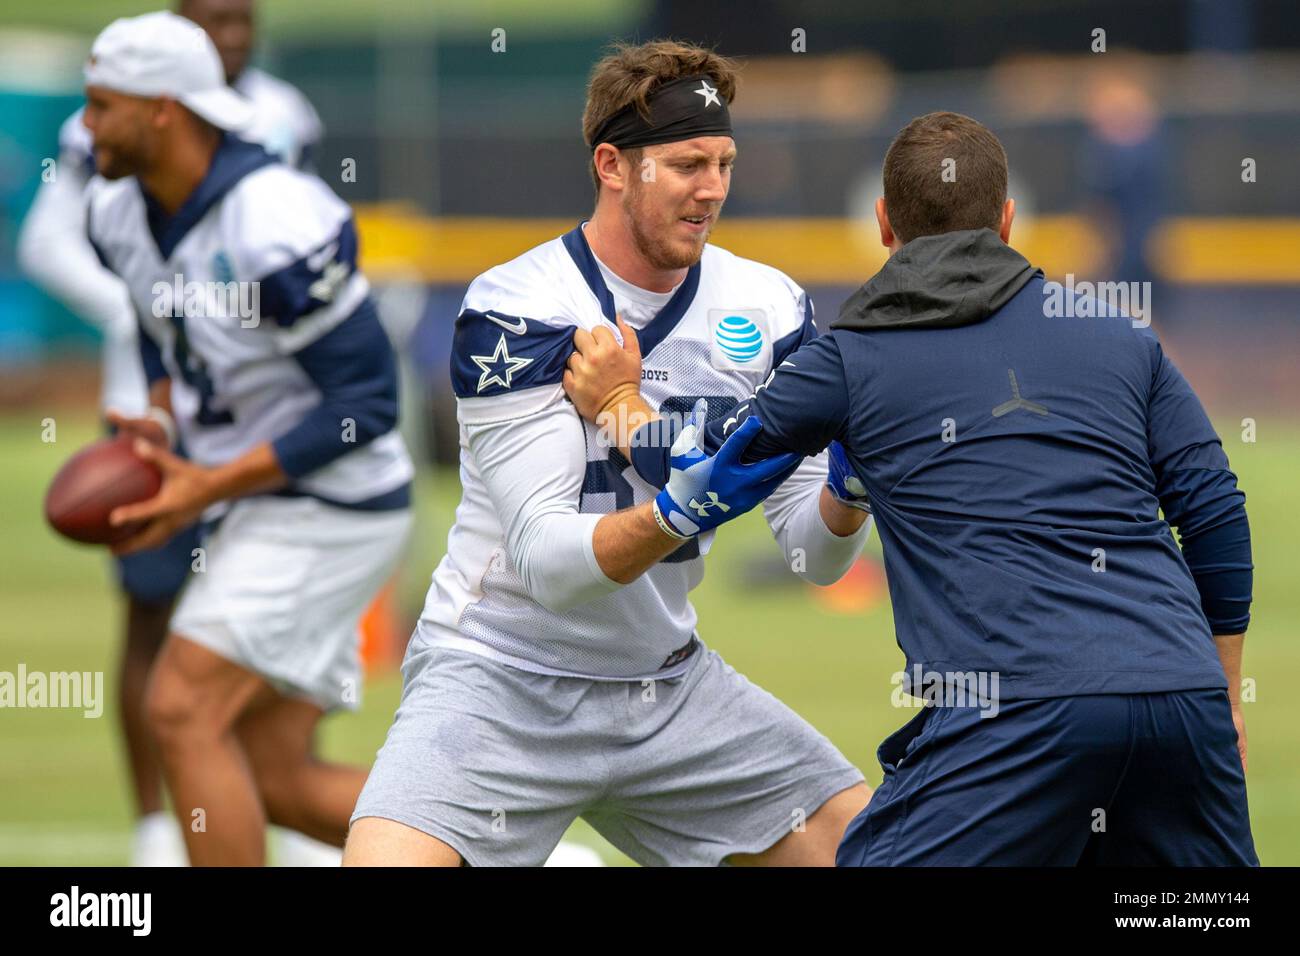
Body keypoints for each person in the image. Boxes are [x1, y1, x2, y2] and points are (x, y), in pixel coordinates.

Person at [566, 111, 1257, 866]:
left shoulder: (852, 358)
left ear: (883, 223)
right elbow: (1215, 510)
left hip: (1011, 709)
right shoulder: (1120, 336)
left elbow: (717, 470)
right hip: (1181, 701)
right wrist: (1219, 695)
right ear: (1008, 219)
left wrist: (621, 409)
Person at [344, 39, 872, 867]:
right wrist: (688, 493)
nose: (713, 190)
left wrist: (851, 489)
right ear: (613, 166)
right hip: (502, 676)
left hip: (665, 684)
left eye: (725, 163)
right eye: (687, 163)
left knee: (870, 848)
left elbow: (814, 557)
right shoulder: (521, 306)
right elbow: (550, 566)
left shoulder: (768, 306)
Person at [82, 10, 413, 866]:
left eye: (101, 105)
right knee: (274, 777)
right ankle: (522, 857)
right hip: (261, 500)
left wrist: (204, 484)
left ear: (162, 108)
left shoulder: (275, 219)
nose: (85, 128)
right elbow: (162, 329)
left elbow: (367, 404)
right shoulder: (119, 208)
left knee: (181, 708)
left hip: (333, 502)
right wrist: (158, 416)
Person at [16, 0, 322, 866]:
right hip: (160, 411)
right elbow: (46, 241)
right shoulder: (108, 118)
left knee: (275, 608)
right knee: (155, 607)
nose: (230, 34)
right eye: (211, 18)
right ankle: (159, 826)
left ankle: (276, 802)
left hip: (265, 408)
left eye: (241, 17)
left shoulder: (285, 113)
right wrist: (147, 311)